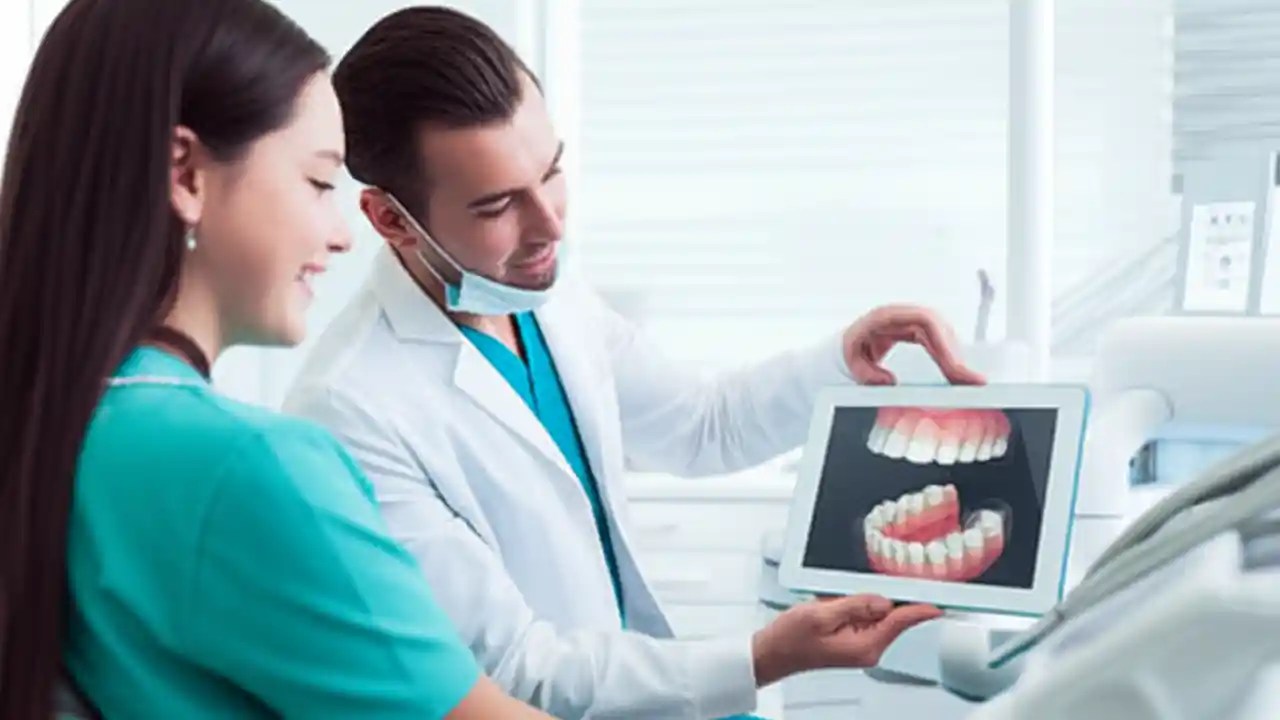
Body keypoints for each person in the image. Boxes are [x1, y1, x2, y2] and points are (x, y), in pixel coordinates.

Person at [283, 7, 968, 719]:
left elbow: (702, 426)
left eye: (551, 173)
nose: (550, 223)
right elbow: (512, 673)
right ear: (391, 219)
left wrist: (842, 360)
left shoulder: (543, 292)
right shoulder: (349, 411)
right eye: (497, 206)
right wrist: (764, 656)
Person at [0, 1, 582, 718]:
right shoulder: (247, 465)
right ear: (184, 174)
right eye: (317, 183)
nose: (340, 237)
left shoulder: (61, 425)